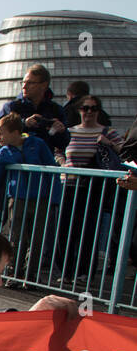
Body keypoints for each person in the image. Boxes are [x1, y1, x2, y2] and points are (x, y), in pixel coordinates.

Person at [56, 97, 125, 286]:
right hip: (69, 186)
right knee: (65, 230)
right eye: (85, 108)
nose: (89, 112)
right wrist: (63, 164)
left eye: (93, 108)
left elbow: (124, 151)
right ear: (79, 110)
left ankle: (84, 273)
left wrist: (108, 143)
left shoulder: (107, 131)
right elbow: (58, 150)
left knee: (88, 231)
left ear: (99, 111)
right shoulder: (70, 132)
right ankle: (66, 272)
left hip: (94, 188)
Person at [0, 112, 62, 279]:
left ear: (15, 132)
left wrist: (55, 199)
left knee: (37, 238)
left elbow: (53, 171)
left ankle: (30, 274)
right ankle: (13, 272)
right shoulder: (3, 152)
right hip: (17, 199)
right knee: (16, 237)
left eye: (1, 133)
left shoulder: (37, 144)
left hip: (41, 199)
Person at [0, 63, 68, 155]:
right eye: (23, 82)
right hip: (14, 162)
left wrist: (60, 131)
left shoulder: (56, 110)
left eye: (30, 83)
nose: (24, 86)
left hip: (42, 163)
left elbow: (64, 143)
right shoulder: (11, 108)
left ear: (44, 85)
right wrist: (22, 124)